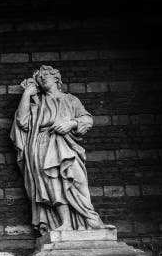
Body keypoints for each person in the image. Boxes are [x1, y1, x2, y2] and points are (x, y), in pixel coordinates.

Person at [10, 65, 105, 232]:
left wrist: (71, 123)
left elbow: (87, 119)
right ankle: (65, 223)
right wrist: (27, 93)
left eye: (46, 74)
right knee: (53, 185)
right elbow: (22, 121)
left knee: (78, 180)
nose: (42, 78)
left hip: (66, 143)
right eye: (39, 77)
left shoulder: (71, 100)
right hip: (43, 145)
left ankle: (90, 218)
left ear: (56, 78)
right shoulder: (36, 103)